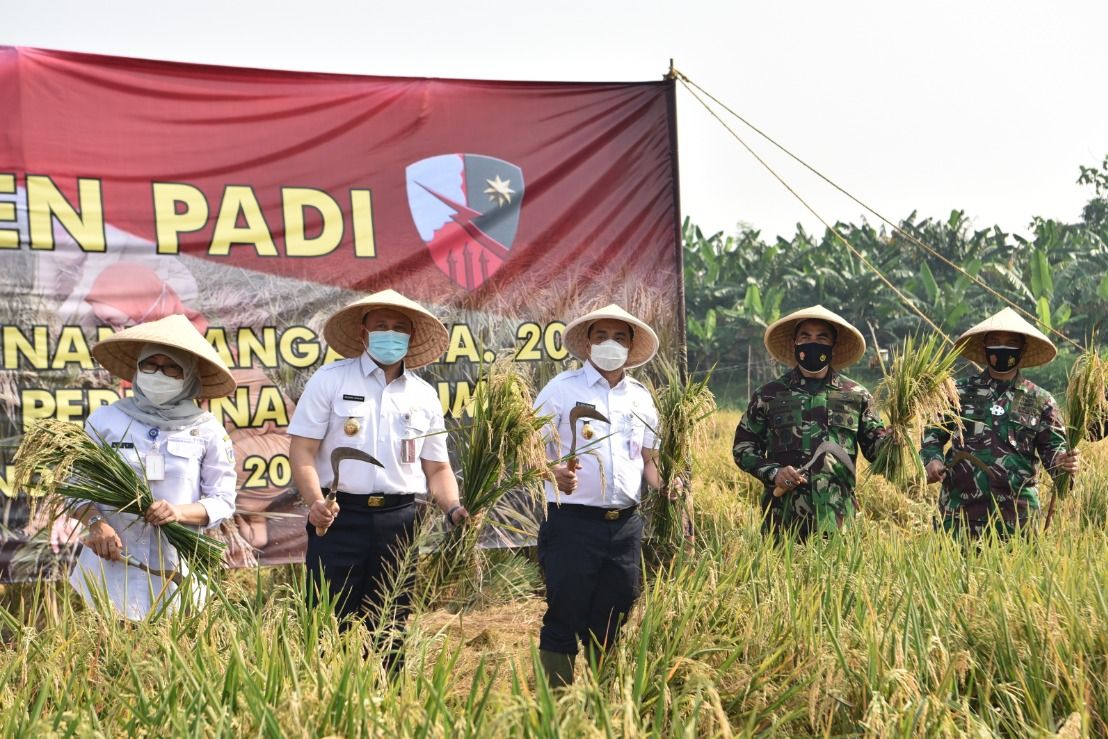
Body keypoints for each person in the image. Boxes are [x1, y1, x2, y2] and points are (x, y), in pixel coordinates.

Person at [288, 289, 467, 666]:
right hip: (337, 519)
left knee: (390, 627)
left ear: (411, 338)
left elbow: (436, 468)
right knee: (326, 625)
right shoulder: (330, 380)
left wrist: (453, 507)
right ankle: (323, 708)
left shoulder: (423, 396)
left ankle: (387, 708)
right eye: (381, 326)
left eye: (400, 327)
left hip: (399, 523)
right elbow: (302, 452)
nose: (391, 334)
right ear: (363, 333)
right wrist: (315, 503)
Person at [71, 313, 238, 620]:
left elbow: (223, 500)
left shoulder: (207, 429)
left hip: (178, 577)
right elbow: (76, 488)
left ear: (188, 376)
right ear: (137, 369)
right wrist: (96, 523)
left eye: (171, 368)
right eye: (150, 365)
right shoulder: (106, 421)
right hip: (111, 574)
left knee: (177, 662)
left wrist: (179, 512)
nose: (158, 374)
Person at [533, 304, 664, 688]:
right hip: (572, 523)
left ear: (631, 345)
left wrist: (669, 485)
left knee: (616, 612)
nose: (611, 344)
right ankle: (554, 704)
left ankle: (605, 700)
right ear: (588, 343)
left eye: (619, 337)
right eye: (601, 336)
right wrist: (551, 471)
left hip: (624, 526)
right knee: (564, 611)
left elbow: (650, 461)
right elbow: (525, 450)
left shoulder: (640, 398)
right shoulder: (561, 390)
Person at [921, 308, 1080, 537]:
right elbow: (932, 436)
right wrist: (932, 460)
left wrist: (1065, 464)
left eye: (1011, 342)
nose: (1002, 348)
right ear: (984, 346)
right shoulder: (957, 393)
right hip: (958, 517)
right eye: (995, 341)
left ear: (1022, 349)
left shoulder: (1041, 401)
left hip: (1018, 521)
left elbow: (1054, 455)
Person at [733, 305, 888, 539]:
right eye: (805, 336)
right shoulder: (768, 395)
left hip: (838, 521)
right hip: (782, 520)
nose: (812, 343)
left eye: (821, 337)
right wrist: (773, 473)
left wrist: (895, 439)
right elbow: (743, 448)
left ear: (833, 346)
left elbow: (877, 453)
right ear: (795, 342)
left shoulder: (857, 395)